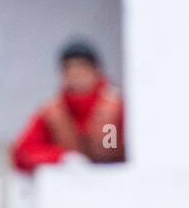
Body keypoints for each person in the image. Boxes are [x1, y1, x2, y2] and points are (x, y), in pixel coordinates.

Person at [12, 39, 126, 172]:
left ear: (97, 71)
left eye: (82, 69)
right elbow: (23, 153)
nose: (76, 76)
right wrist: (61, 157)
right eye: (70, 70)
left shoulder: (117, 107)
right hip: (70, 188)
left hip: (116, 185)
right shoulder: (52, 112)